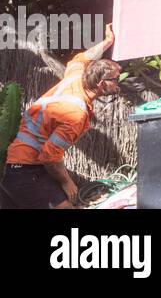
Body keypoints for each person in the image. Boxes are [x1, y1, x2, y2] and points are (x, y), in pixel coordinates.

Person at [1, 25, 119, 209]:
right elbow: (50, 156)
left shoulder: (76, 76)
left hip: (13, 164)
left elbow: (80, 59)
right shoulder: (75, 114)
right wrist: (66, 182)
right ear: (102, 84)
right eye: (116, 80)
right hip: (23, 169)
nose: (119, 83)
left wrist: (107, 42)